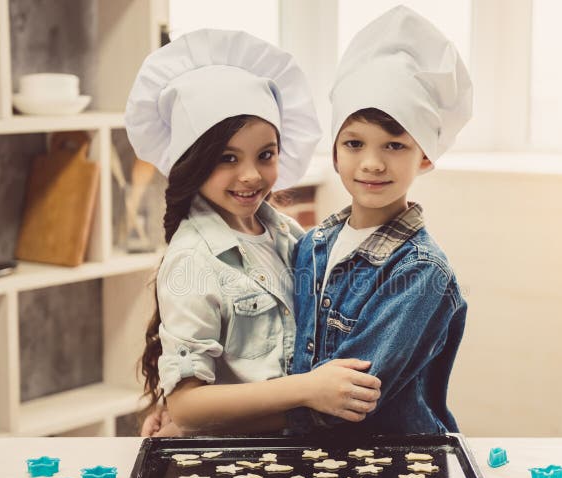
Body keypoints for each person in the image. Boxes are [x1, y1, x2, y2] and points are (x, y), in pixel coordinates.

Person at [125, 29, 382, 437]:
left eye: (266, 155)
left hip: (289, 450)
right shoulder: (193, 257)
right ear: (193, 162)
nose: (250, 175)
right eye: (227, 158)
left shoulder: (284, 233)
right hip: (235, 464)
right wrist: (307, 391)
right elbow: (188, 406)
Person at [286, 6, 473, 436]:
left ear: (424, 154)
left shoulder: (420, 271)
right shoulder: (312, 244)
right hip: (320, 467)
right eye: (354, 143)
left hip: (393, 471)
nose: (372, 163)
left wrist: (215, 412)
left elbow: (346, 403)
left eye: (394, 145)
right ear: (334, 152)